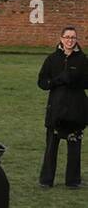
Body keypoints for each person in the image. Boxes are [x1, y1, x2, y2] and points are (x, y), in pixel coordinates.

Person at [37, 25, 86, 189]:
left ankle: (73, 181)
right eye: (67, 37)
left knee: (74, 149)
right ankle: (46, 180)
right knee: (51, 147)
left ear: (76, 40)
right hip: (56, 110)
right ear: (61, 39)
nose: (70, 40)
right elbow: (42, 82)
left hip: (76, 110)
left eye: (73, 37)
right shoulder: (52, 59)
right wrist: (57, 80)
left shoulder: (82, 60)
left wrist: (74, 79)